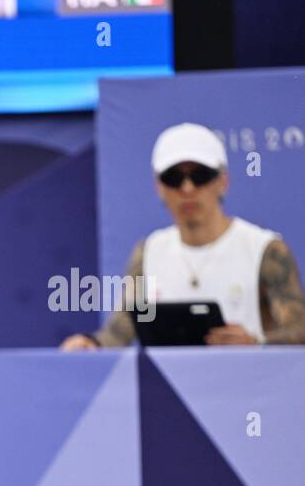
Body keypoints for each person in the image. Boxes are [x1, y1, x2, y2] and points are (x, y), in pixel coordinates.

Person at [62, 122, 305, 349]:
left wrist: (255, 341)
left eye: (200, 176)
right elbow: (123, 327)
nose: (187, 188)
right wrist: (92, 343)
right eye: (174, 178)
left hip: (249, 387)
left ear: (223, 181)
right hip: (168, 391)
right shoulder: (148, 252)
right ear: (159, 187)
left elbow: (299, 328)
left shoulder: (264, 249)